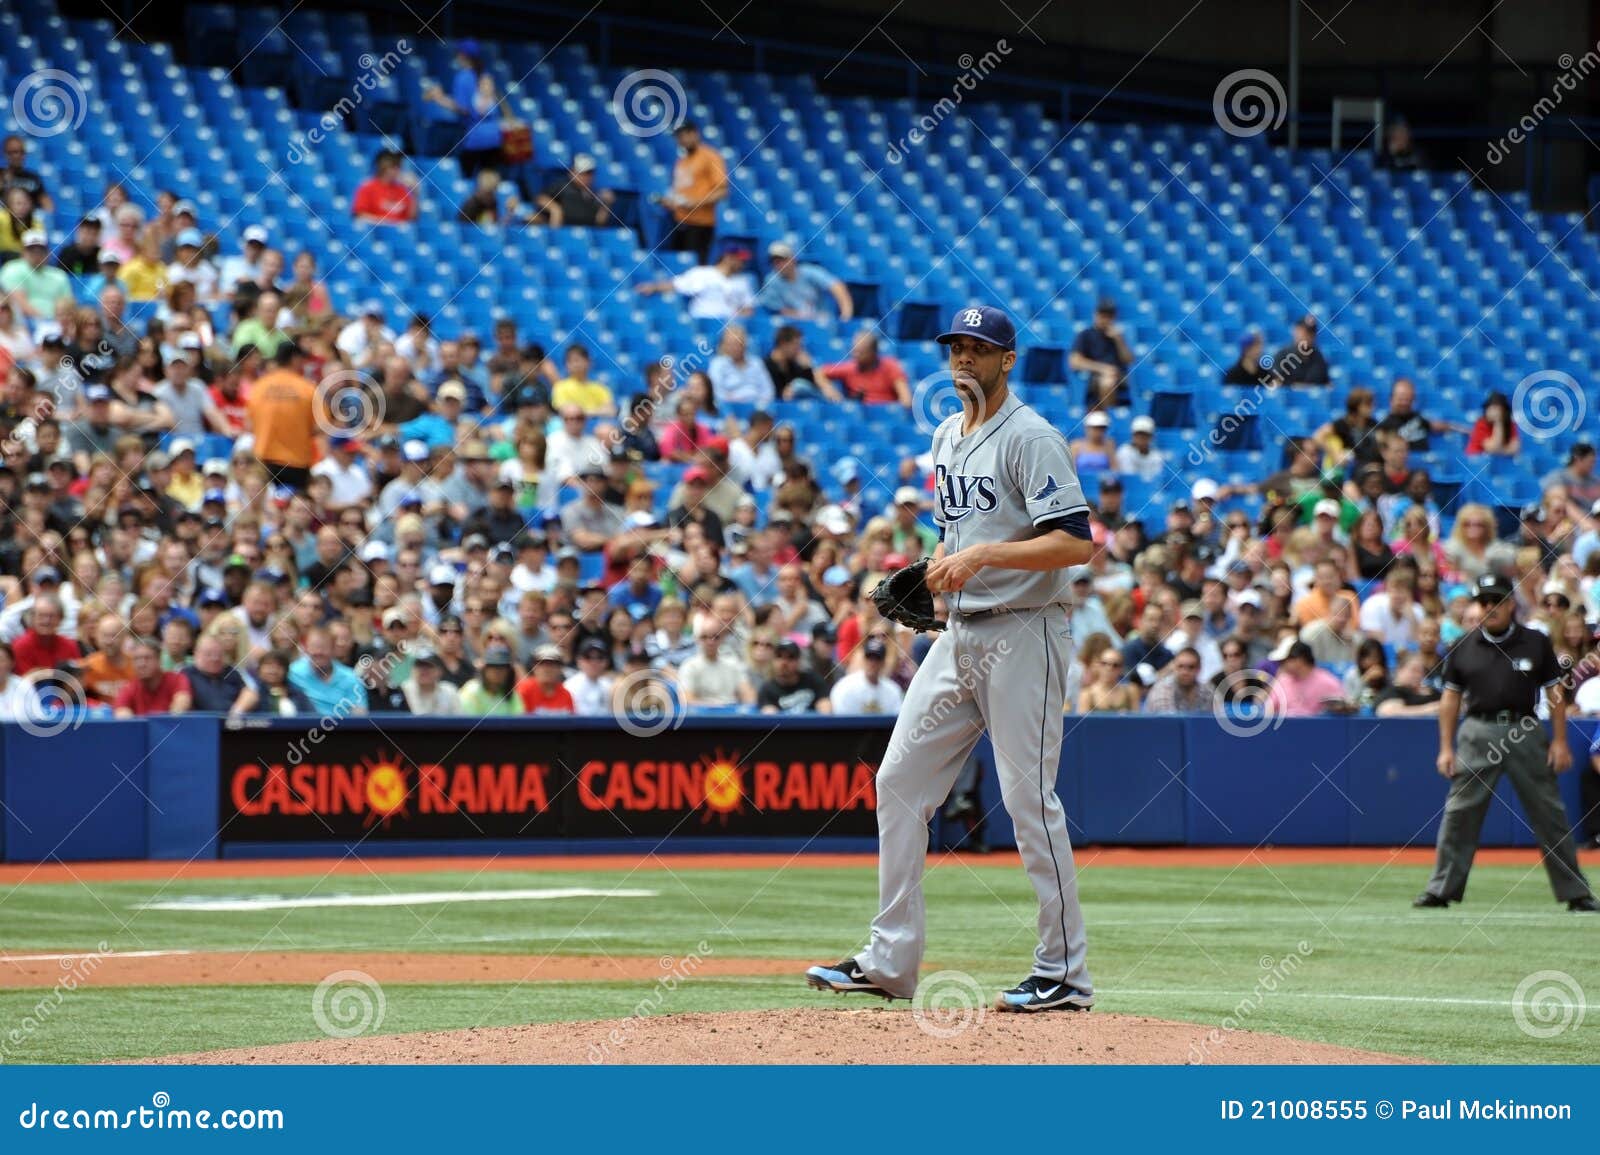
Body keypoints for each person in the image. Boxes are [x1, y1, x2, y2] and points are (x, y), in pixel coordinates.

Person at [806, 305, 1095, 1013]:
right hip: (959, 633)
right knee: (898, 781)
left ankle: (1063, 973)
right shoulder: (944, 435)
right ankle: (890, 959)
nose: (965, 357)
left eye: (979, 348)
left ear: (1008, 358)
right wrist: (935, 570)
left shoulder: (1032, 437)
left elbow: (1075, 542)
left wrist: (983, 555)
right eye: (956, 346)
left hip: (1027, 630)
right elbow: (956, 536)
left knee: (1029, 801)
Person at [1414, 574, 1596, 912]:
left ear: (1511, 604)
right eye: (1483, 601)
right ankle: (1440, 889)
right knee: (1460, 812)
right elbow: (1450, 700)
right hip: (1478, 730)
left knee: (1549, 812)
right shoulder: (1463, 646)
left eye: (1496, 600)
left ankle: (1576, 892)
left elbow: (1554, 693)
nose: (1489, 608)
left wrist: (1559, 741)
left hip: (1524, 728)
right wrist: (1445, 747)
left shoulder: (1535, 641)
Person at [422, 40, 502, 177]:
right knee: (490, 178)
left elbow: (464, 109)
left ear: (463, 56)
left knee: (467, 179)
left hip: (476, 138)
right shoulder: (486, 75)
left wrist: (439, 99)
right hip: (494, 136)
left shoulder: (463, 77)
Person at [660, 121, 727, 264]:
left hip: (700, 224)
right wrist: (670, 201)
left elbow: (722, 191)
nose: (681, 141)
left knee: (695, 268)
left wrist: (695, 203)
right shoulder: (682, 161)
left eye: (684, 136)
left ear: (695, 134)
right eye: (679, 137)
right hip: (678, 221)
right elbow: (679, 190)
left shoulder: (710, 156)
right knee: (677, 266)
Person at [636, 245, 754, 320]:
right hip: (703, 320)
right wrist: (654, 287)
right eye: (740, 260)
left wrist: (737, 314)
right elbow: (677, 285)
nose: (742, 264)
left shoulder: (743, 281)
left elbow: (748, 309)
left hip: (728, 325)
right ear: (728, 257)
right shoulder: (703, 273)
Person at [756, 241, 853, 321]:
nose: (779, 265)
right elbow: (779, 309)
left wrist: (846, 315)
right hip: (793, 324)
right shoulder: (772, 281)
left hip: (822, 320)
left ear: (793, 259)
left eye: (782, 260)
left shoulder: (808, 272)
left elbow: (836, 286)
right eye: (775, 262)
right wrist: (802, 317)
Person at [815, 329, 910, 407]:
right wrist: (828, 389)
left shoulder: (891, 366)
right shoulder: (850, 367)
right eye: (854, 351)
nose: (855, 356)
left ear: (873, 353)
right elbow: (818, 372)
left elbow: (906, 400)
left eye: (860, 353)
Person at [1068, 298, 1132, 406]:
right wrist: (1103, 369)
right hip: (1093, 376)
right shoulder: (1086, 334)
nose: (1106, 319)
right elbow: (1075, 362)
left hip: (1119, 377)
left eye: (1110, 316)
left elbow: (1129, 360)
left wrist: (1119, 341)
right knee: (1107, 381)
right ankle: (1109, 416)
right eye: (1103, 315)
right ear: (1096, 314)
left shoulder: (1117, 336)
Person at [113, 636, 192, 717]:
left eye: (147, 658)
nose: (141, 664)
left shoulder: (177, 679)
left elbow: (181, 705)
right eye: (136, 659)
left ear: (159, 660)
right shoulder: (129, 687)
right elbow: (122, 714)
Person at [827, 634, 905, 714]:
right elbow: (841, 719)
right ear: (863, 659)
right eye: (869, 658)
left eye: (877, 659)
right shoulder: (845, 686)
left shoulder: (893, 690)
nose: (872, 663)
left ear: (883, 662)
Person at [529, 155, 613, 227]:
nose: (586, 177)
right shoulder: (562, 185)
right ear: (572, 172)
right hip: (563, 231)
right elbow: (540, 199)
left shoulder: (595, 194)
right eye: (582, 173)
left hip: (584, 234)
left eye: (589, 173)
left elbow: (599, 222)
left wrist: (606, 205)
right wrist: (555, 209)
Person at [1266, 641, 1343, 716]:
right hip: (1284, 728)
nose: (1281, 665)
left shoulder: (1328, 682)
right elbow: (1269, 711)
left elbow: (1342, 711)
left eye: (1283, 661)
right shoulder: (1282, 680)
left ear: (1299, 660)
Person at [757, 638, 832, 714]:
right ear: (772, 660)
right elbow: (770, 717)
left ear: (798, 661)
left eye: (790, 657)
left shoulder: (813, 681)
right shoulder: (767, 689)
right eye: (779, 656)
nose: (784, 662)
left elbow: (825, 709)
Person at [352, 151, 418, 225]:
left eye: (398, 166)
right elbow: (360, 216)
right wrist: (386, 223)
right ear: (382, 167)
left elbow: (411, 218)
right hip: (376, 233)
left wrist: (415, 193)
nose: (397, 170)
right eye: (393, 166)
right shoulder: (368, 187)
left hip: (397, 234)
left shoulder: (402, 189)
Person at [1142, 646, 1213, 713]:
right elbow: (1169, 722)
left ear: (1199, 669)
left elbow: (1214, 719)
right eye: (1180, 666)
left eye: (1191, 667)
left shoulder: (1207, 690)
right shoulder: (1162, 689)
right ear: (1174, 667)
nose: (1185, 672)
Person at [515, 643, 576, 714]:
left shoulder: (565, 694)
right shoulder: (524, 689)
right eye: (541, 664)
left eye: (552, 664)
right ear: (534, 667)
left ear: (560, 668)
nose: (547, 669)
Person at [1467, 390, 1520, 457]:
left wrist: (1500, 421)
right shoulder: (1481, 424)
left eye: (1496, 408)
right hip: (1478, 461)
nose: (1493, 412)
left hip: (1499, 462)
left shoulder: (1510, 424)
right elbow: (1492, 448)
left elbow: (1515, 448)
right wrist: (1498, 422)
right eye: (1490, 408)